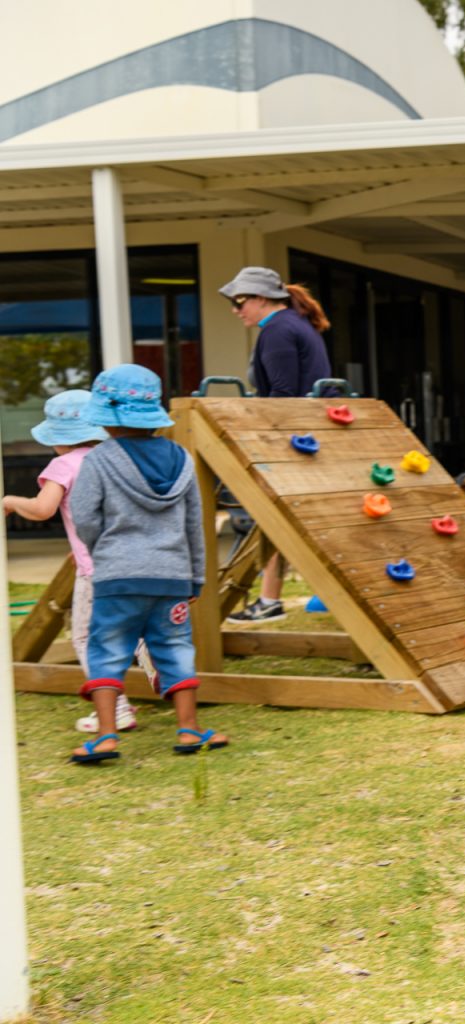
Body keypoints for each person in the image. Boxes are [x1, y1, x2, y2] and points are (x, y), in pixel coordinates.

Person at [67, 365, 227, 765]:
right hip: (172, 576)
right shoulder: (182, 459)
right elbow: (195, 524)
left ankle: (106, 736)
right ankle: (189, 727)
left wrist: (103, 549)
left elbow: (84, 516)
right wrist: (195, 577)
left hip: (117, 576)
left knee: (107, 648)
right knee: (174, 647)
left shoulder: (98, 460)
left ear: (106, 417)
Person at [2, 391, 155, 734]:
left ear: (60, 438)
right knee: (128, 619)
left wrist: (11, 500)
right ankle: (150, 644)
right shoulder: (117, 458)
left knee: (87, 638)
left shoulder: (63, 465)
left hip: (98, 570)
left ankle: (115, 708)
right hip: (136, 559)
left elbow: (43, 510)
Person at [218, 266, 333, 624]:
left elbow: (282, 394)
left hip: (294, 436)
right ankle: (281, 597)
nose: (236, 310)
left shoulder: (278, 330)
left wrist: (259, 438)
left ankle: (272, 600)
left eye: (240, 301)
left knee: (276, 520)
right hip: (313, 432)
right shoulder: (296, 324)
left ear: (262, 298)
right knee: (285, 522)